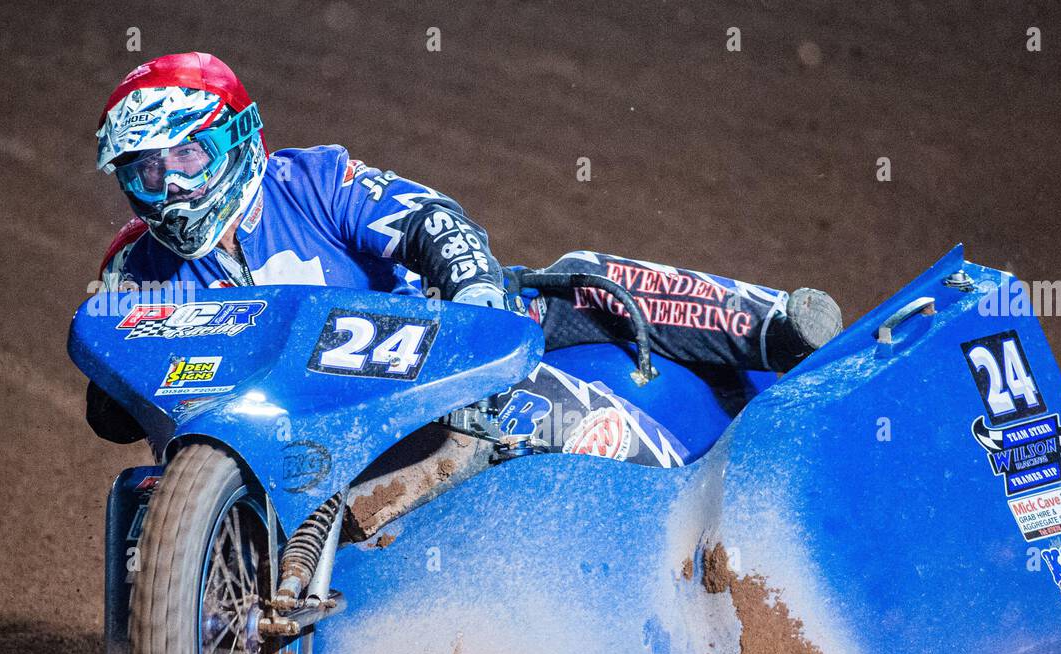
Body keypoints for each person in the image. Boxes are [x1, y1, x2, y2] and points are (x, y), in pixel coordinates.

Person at [88, 52, 841, 466]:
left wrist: (475, 300)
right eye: (144, 171)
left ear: (238, 138)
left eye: (186, 156)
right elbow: (110, 410)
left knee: (582, 283)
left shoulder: (310, 180)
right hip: (300, 446)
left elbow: (431, 221)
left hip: (440, 359)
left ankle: (780, 332)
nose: (169, 187)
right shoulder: (136, 270)